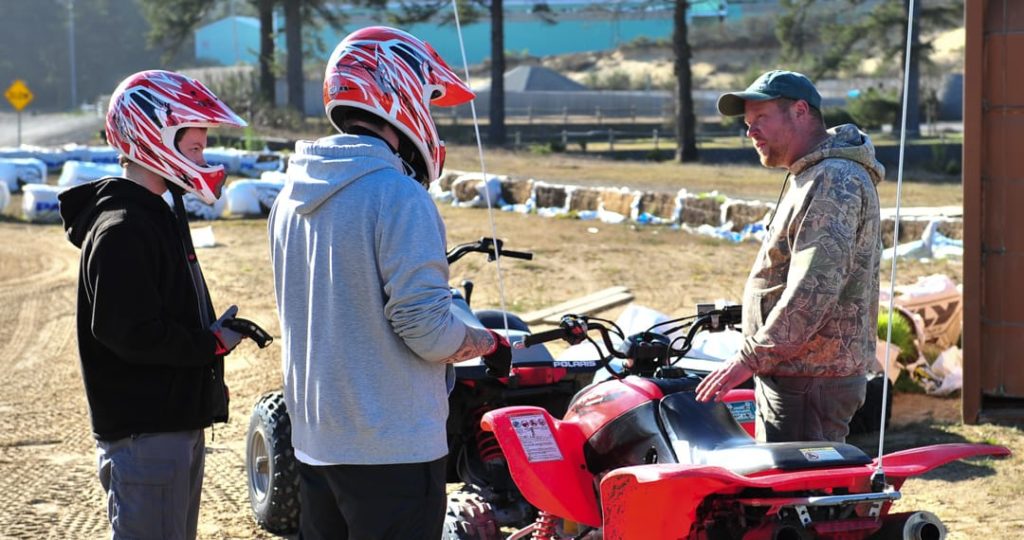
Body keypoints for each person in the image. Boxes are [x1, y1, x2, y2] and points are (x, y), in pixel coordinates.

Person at [267, 26, 512, 539]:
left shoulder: (290, 196)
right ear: (400, 94)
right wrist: (486, 341)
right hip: (390, 448)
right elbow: (426, 329)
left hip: (316, 440)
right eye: (430, 100)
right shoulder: (397, 196)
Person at [58, 70, 266, 539]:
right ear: (155, 139)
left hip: (168, 428)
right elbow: (128, 332)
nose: (203, 159)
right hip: (146, 436)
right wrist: (207, 344)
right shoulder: (123, 227)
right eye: (194, 149)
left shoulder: (157, 213)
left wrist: (208, 334)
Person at [695, 70, 884, 444]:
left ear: (800, 110)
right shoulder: (812, 175)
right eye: (748, 124)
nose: (751, 132)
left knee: (799, 495)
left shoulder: (833, 179)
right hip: (798, 372)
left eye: (761, 118)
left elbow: (812, 289)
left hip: (809, 379)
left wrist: (749, 358)